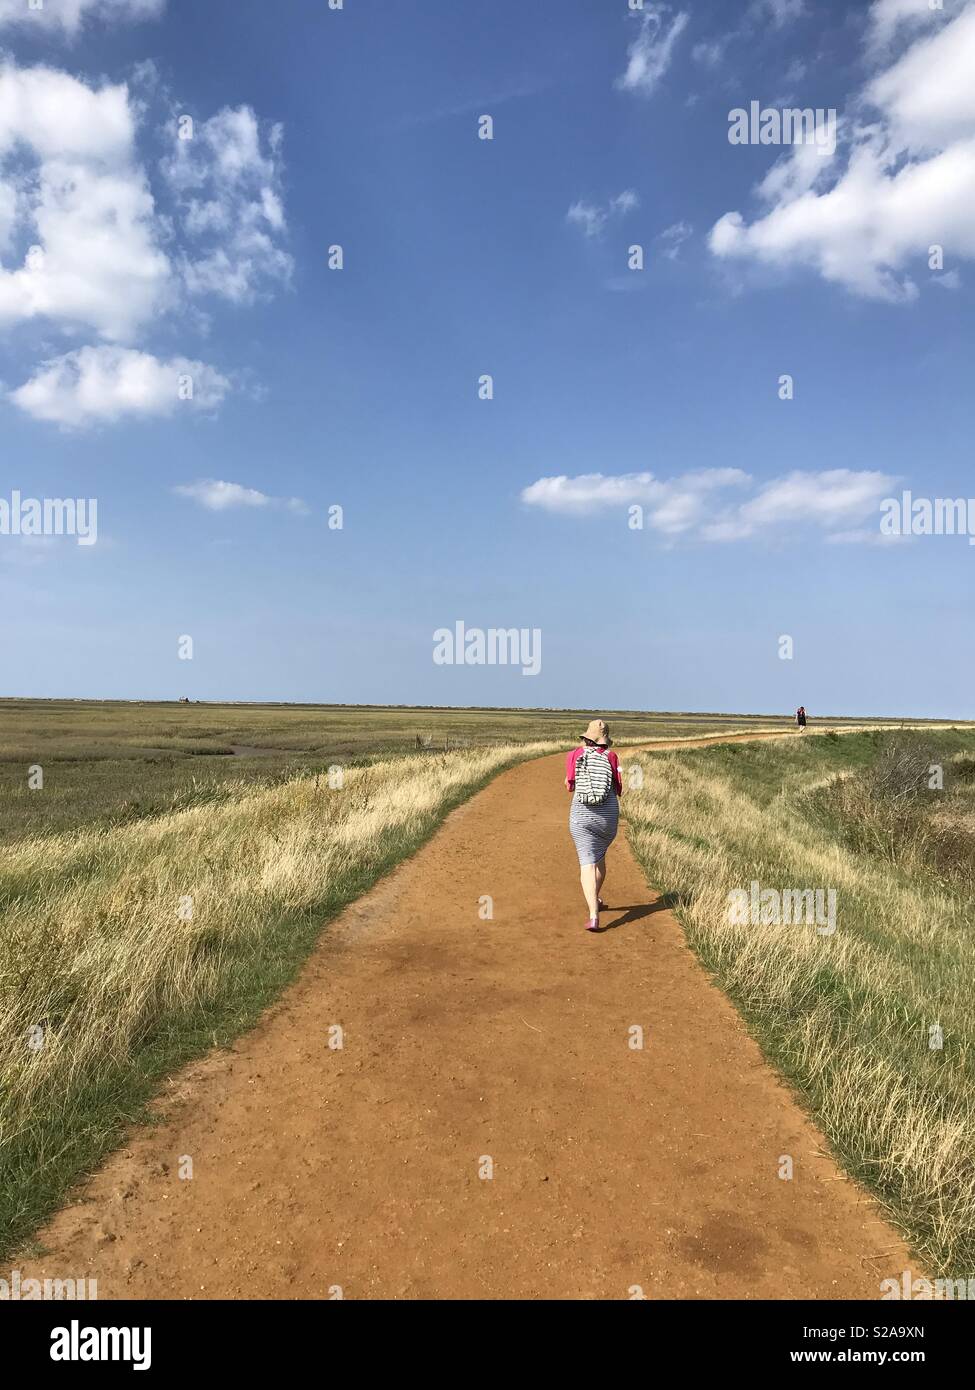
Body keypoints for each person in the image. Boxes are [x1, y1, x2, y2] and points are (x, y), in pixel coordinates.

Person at [565, 719, 623, 931]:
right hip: (607, 818)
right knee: (599, 858)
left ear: (586, 739)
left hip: (582, 816)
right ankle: (595, 899)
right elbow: (619, 788)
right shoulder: (612, 757)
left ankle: (593, 915)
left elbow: (569, 785)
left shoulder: (575, 755)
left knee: (587, 864)